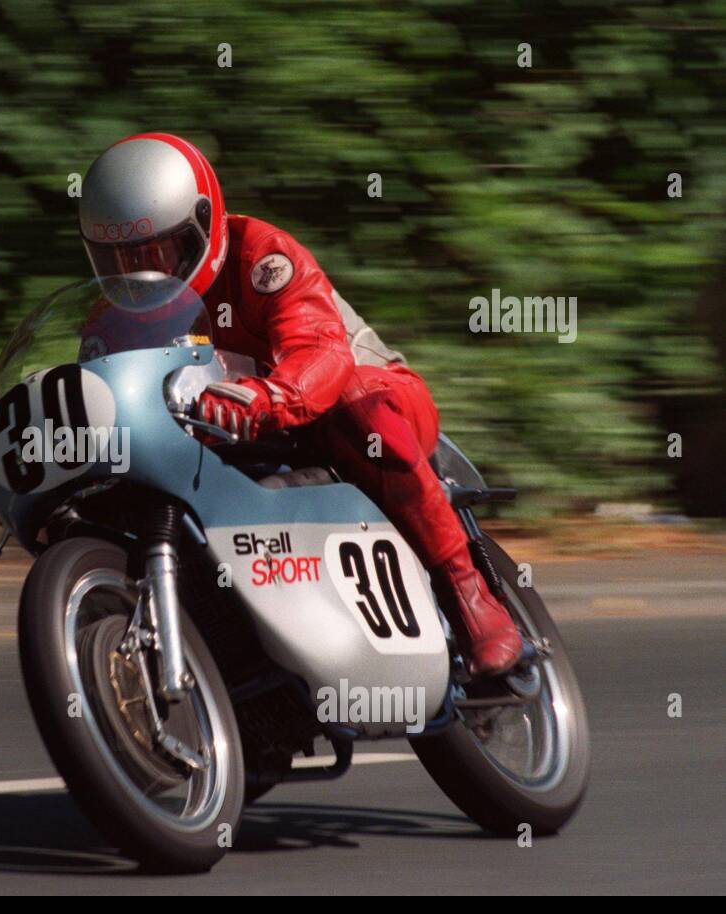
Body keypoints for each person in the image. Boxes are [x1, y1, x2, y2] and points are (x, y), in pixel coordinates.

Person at [78, 132, 522, 676]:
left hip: (370, 401)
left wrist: (263, 397)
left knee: (359, 409)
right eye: (121, 258)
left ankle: (469, 595)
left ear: (202, 225)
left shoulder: (263, 256)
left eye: (159, 251)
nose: (147, 272)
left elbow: (320, 351)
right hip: (246, 445)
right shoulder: (112, 318)